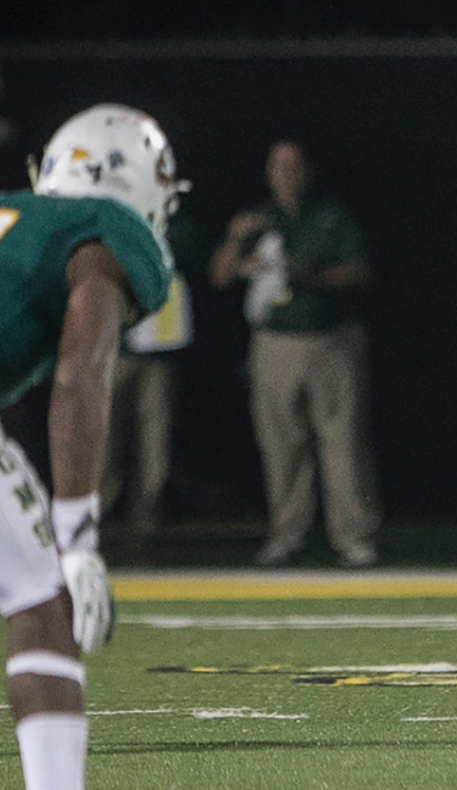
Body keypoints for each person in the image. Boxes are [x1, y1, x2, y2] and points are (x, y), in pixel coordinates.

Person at [1, 104, 184, 790]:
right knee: (42, 597)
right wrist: (77, 537)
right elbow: (81, 377)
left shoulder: (14, 217)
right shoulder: (107, 232)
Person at [209, 139, 380, 568]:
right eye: (276, 166)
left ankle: (353, 536)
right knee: (281, 443)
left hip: (330, 338)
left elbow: (360, 270)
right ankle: (287, 534)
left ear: (308, 170)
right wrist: (235, 238)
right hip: (275, 343)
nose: (284, 174)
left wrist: (310, 277)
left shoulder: (330, 216)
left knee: (341, 441)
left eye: (293, 166)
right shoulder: (257, 219)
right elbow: (220, 276)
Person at [100, 215, 198, 560]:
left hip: (159, 352)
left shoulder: (176, 227)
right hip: (115, 352)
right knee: (104, 450)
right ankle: (91, 539)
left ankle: (144, 539)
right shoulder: (108, 220)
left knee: (155, 455)